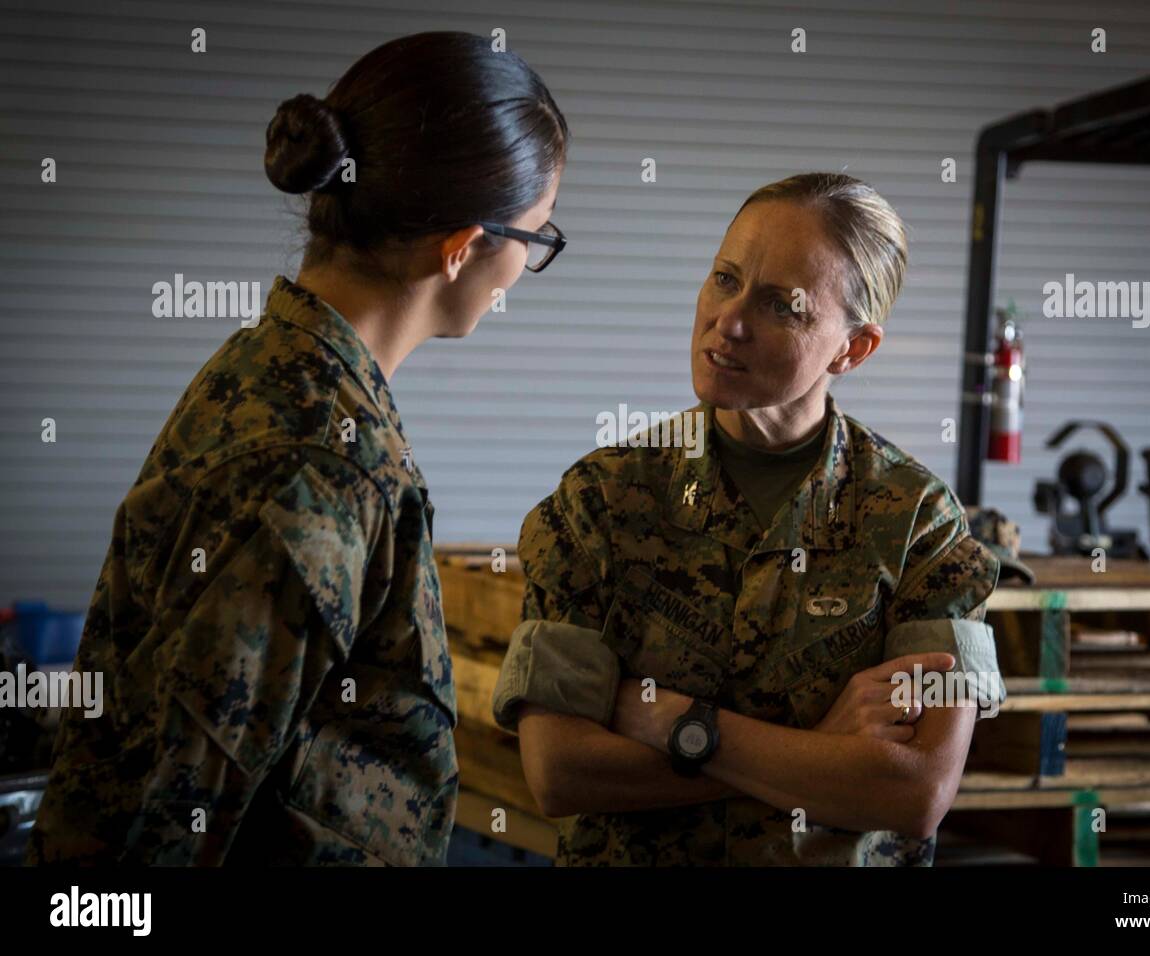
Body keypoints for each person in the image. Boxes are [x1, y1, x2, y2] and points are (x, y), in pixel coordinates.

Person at [28, 31, 568, 866]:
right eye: (535, 240)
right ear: (463, 246)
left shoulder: (285, 363)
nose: (524, 267)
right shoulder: (317, 459)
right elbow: (170, 814)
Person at [493, 173, 1004, 866]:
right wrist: (822, 745)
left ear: (852, 349)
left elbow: (912, 792)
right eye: (724, 280)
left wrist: (668, 721)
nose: (728, 322)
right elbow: (559, 771)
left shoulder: (919, 523)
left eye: (780, 306)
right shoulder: (601, 501)